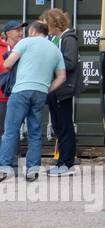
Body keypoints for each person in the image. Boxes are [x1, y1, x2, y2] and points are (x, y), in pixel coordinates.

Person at [0, 21, 66, 182]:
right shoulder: (55, 49)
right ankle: (32, 170)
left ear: (33, 31)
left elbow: (7, 64)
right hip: (40, 93)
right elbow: (62, 76)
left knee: (11, 131)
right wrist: (47, 89)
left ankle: (4, 168)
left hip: (21, 91)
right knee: (35, 132)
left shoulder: (25, 42)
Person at [41, 8, 82, 175]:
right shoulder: (56, 38)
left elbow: (70, 63)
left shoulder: (68, 39)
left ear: (54, 24)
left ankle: (67, 164)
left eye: (47, 24)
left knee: (64, 126)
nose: (45, 28)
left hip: (63, 89)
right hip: (55, 89)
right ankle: (61, 162)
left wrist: (50, 60)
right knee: (59, 126)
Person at [0, 20, 24, 138]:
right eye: (18, 30)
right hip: (2, 98)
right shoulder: (0, 49)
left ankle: (13, 156)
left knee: (14, 131)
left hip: (18, 96)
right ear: (8, 33)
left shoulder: (24, 49)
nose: (21, 33)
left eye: (22, 30)